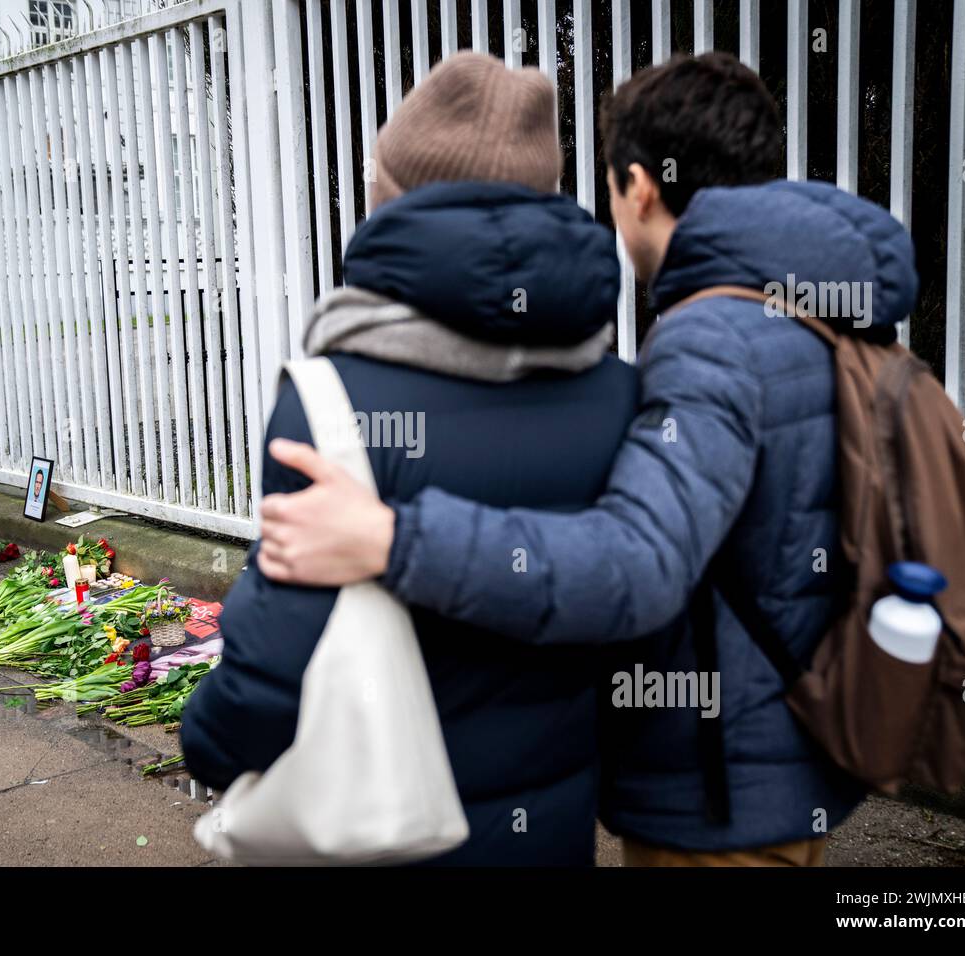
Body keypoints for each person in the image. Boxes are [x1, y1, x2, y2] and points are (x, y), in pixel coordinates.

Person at [254, 52, 920, 866]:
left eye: (609, 189)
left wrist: (395, 538)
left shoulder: (711, 338)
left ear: (639, 186)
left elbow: (635, 568)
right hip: (786, 757)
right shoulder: (804, 307)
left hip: (717, 794)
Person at [180, 52, 637, 865]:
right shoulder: (624, 396)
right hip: (552, 830)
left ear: (387, 196)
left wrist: (208, 744)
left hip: (381, 837)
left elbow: (277, 667)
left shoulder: (329, 402)